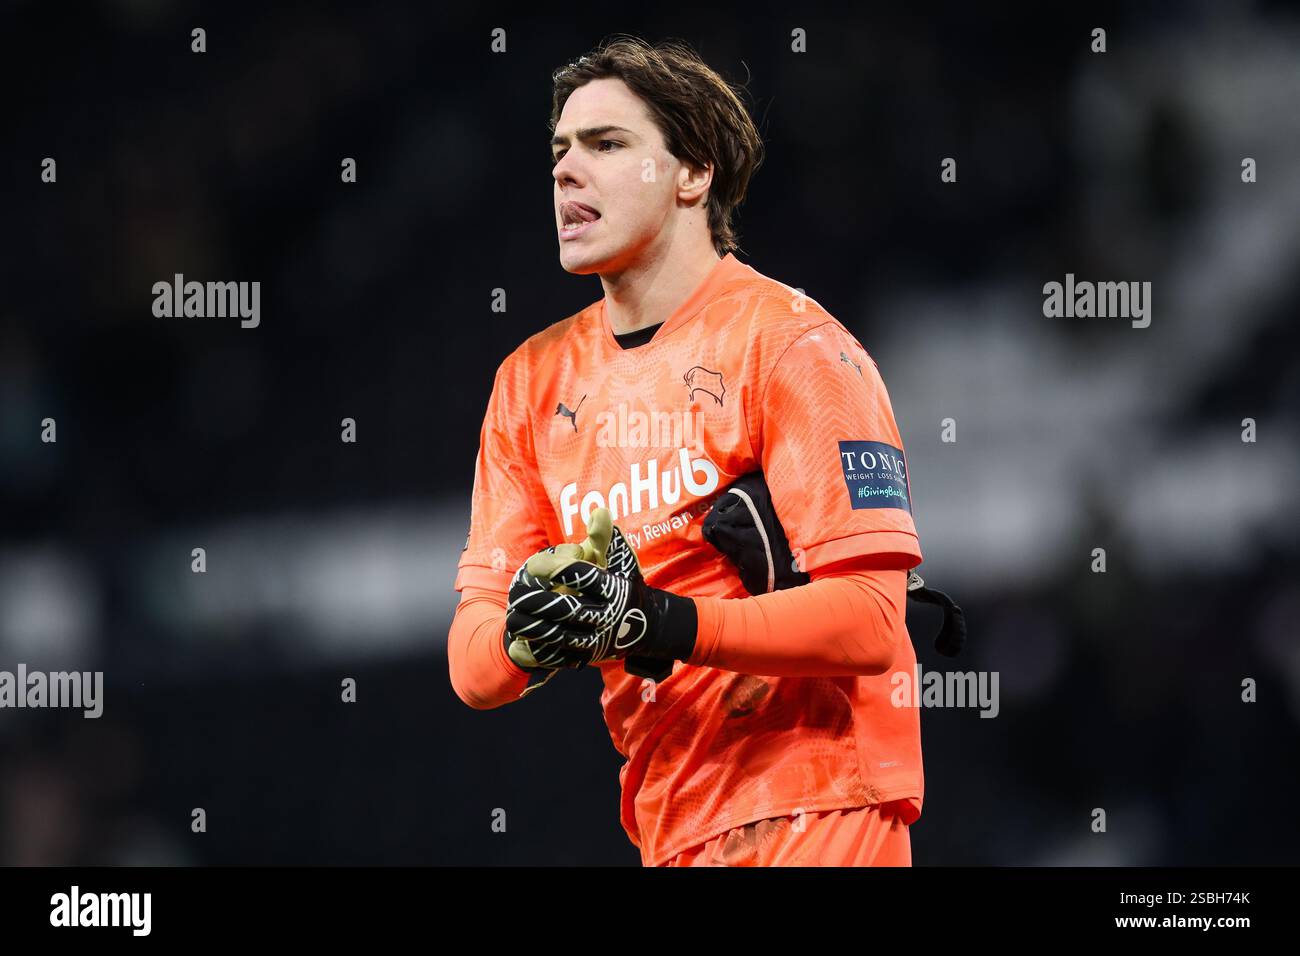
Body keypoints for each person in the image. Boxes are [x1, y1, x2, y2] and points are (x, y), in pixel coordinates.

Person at [449, 36, 923, 867]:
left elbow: (875, 621)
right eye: (560, 149)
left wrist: (660, 621)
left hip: (821, 799)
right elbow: (474, 666)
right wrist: (535, 634)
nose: (565, 171)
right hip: (673, 821)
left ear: (692, 174)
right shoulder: (529, 383)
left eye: (606, 144)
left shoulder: (793, 346)